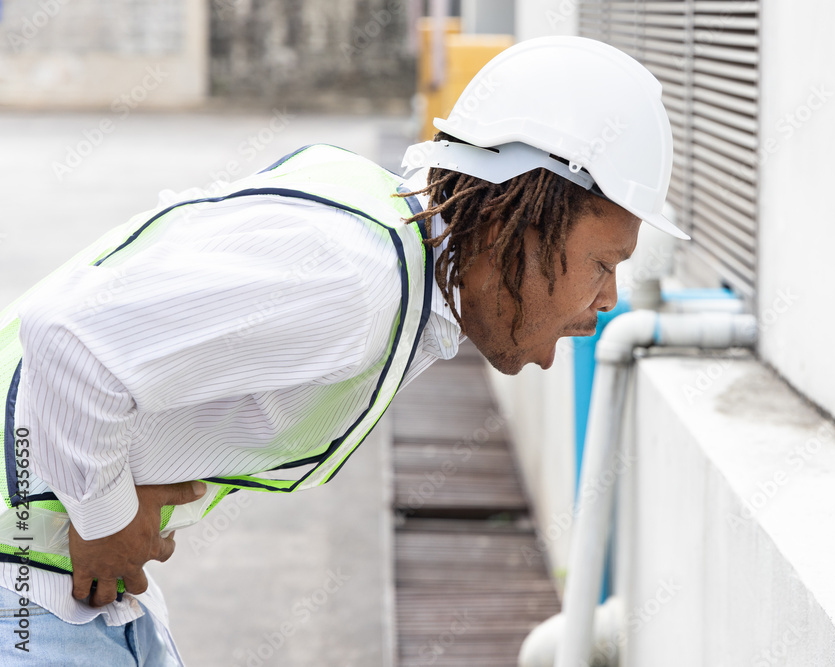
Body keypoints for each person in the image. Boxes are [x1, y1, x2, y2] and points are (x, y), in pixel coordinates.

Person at [0, 35, 685, 664]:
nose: (608, 300)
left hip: (69, 585)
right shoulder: (356, 279)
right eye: (602, 264)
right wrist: (105, 519)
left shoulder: (388, 251)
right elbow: (66, 334)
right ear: (519, 220)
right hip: (28, 582)